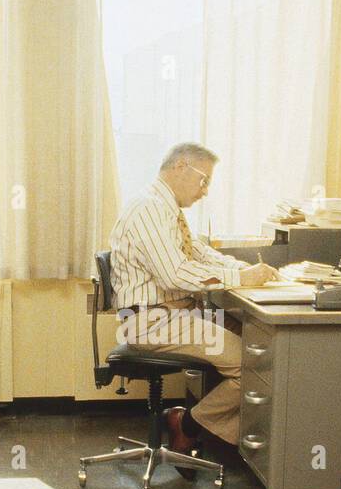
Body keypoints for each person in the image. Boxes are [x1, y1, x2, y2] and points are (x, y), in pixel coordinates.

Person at [108, 142, 279, 468]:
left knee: (260, 342)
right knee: (252, 365)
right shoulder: (149, 209)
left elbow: (199, 254)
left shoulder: (165, 209)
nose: (205, 191)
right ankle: (186, 424)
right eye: (204, 180)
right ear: (180, 167)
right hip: (152, 321)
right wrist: (241, 278)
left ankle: (201, 425)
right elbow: (176, 273)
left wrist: (246, 270)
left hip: (175, 313)